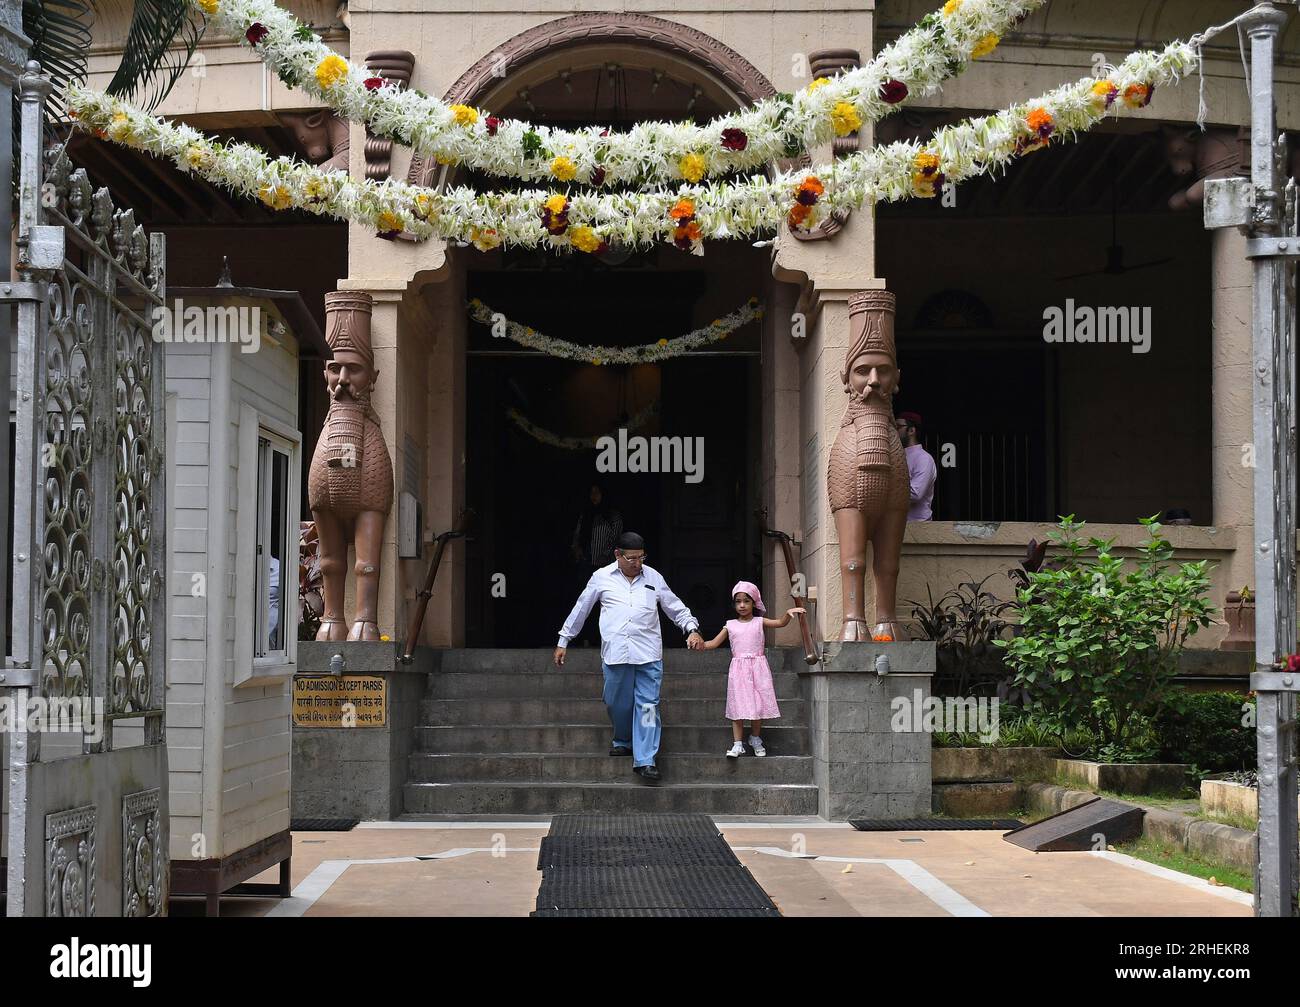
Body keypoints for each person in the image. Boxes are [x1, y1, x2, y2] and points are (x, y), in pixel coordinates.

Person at [553, 532, 703, 782]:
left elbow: (675, 607)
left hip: (648, 655)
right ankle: (623, 739)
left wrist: (692, 629)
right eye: (631, 558)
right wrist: (564, 640)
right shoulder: (601, 577)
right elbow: (582, 608)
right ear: (617, 555)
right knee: (616, 703)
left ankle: (645, 759)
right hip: (616, 654)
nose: (636, 563)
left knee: (648, 706)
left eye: (640, 558)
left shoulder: (653, 577)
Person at [702, 581, 804, 758]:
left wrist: (788, 614)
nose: (742, 605)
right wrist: (699, 644)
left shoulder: (759, 621)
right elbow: (713, 643)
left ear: (754, 602)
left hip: (758, 668)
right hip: (739, 670)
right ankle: (737, 744)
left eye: (746, 601)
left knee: (757, 705)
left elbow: (779, 623)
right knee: (737, 705)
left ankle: (755, 738)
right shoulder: (730, 625)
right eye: (738, 601)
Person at [570, 484, 622, 646]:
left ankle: (603, 638)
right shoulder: (586, 515)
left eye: (597, 493)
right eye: (591, 493)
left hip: (605, 565)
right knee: (585, 601)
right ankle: (584, 637)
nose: (594, 496)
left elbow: (616, 539)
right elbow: (577, 536)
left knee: (605, 602)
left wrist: (605, 556)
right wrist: (577, 550)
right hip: (586, 564)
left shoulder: (612, 516)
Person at [896, 411, 937, 521]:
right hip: (896, 524)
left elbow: (915, 494)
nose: (894, 431)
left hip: (918, 525)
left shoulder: (924, 459)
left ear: (911, 431)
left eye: (898, 426)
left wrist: (886, 489)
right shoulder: (896, 456)